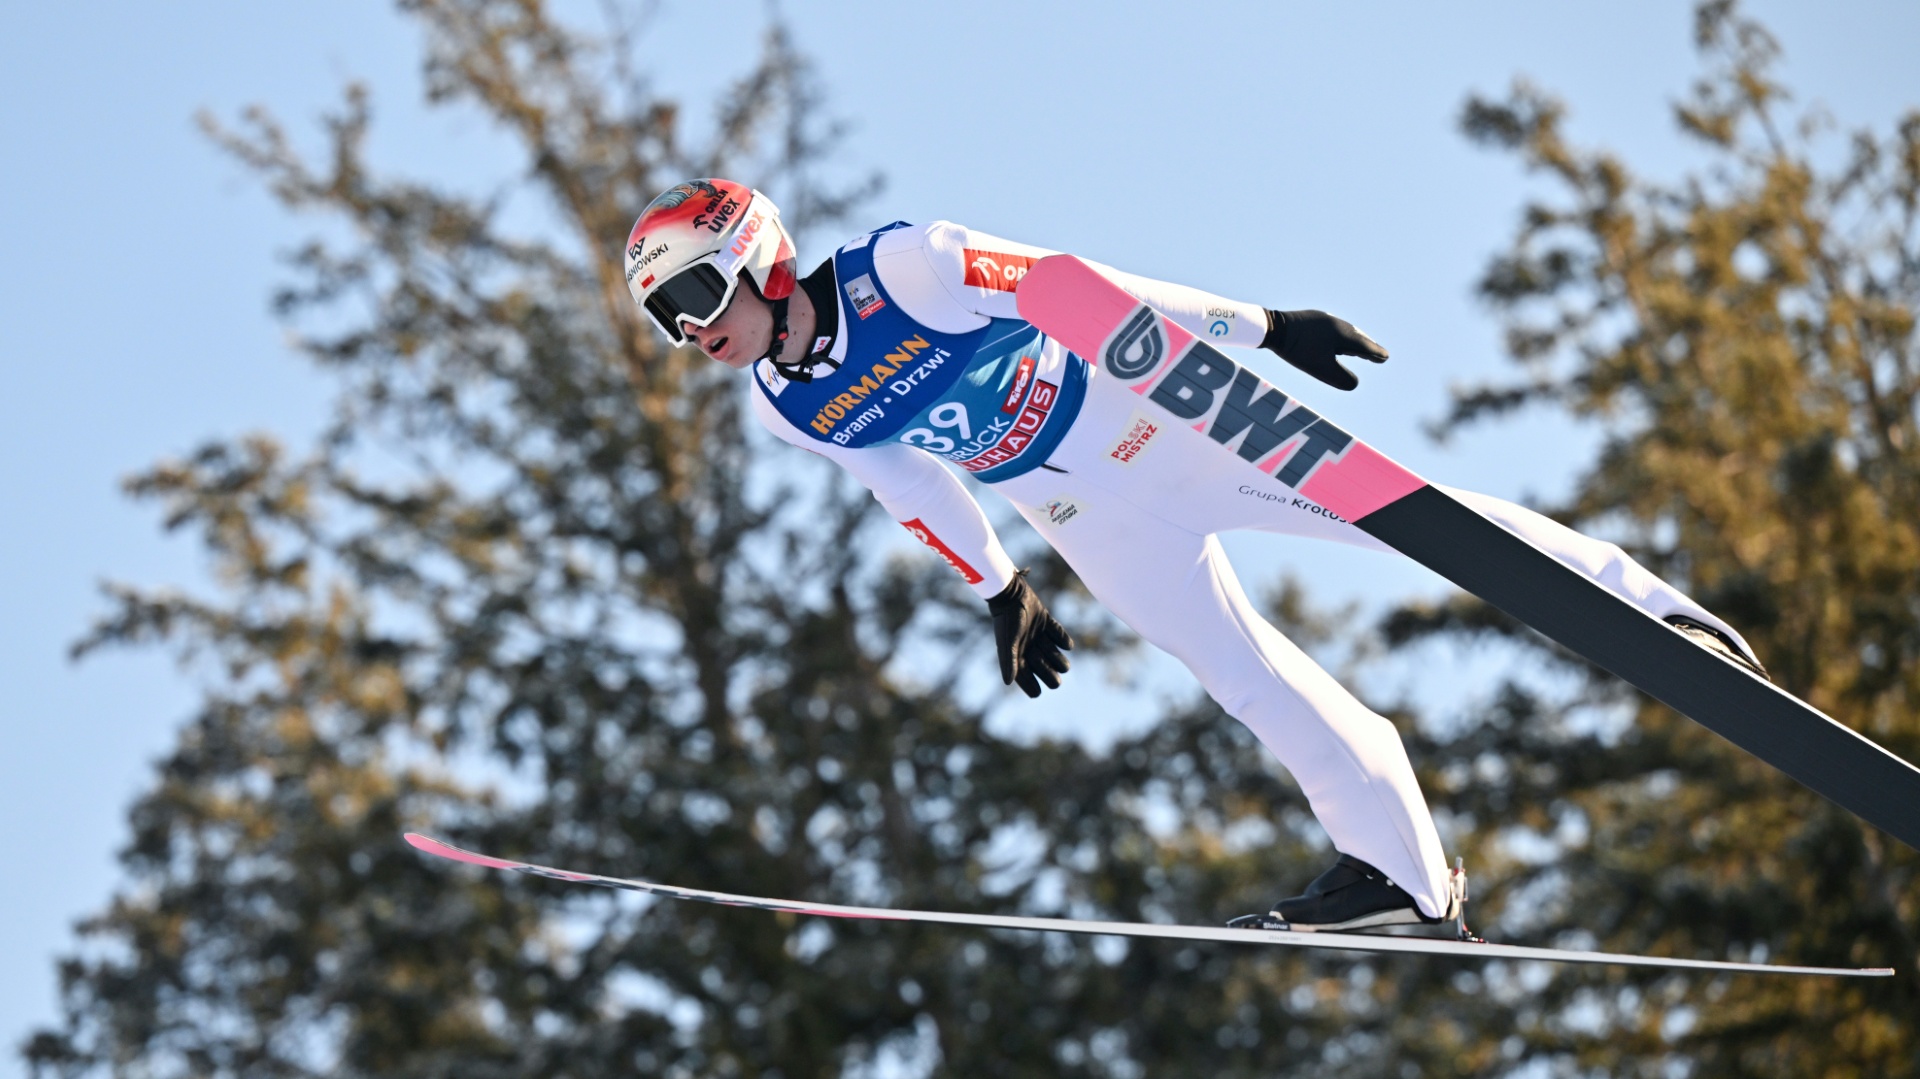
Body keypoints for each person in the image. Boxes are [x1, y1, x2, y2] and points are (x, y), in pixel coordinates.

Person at [621, 178, 1768, 933]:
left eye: (695, 293)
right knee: (1241, 672)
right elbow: (907, 476)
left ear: (761, 256)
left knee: (1411, 516)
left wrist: (1262, 328)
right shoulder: (785, 405)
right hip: (1077, 509)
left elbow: (1080, 291)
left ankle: (1649, 609)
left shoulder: (914, 268)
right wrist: (998, 585)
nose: (692, 330)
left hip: (1154, 423)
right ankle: (1400, 872)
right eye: (667, 319)